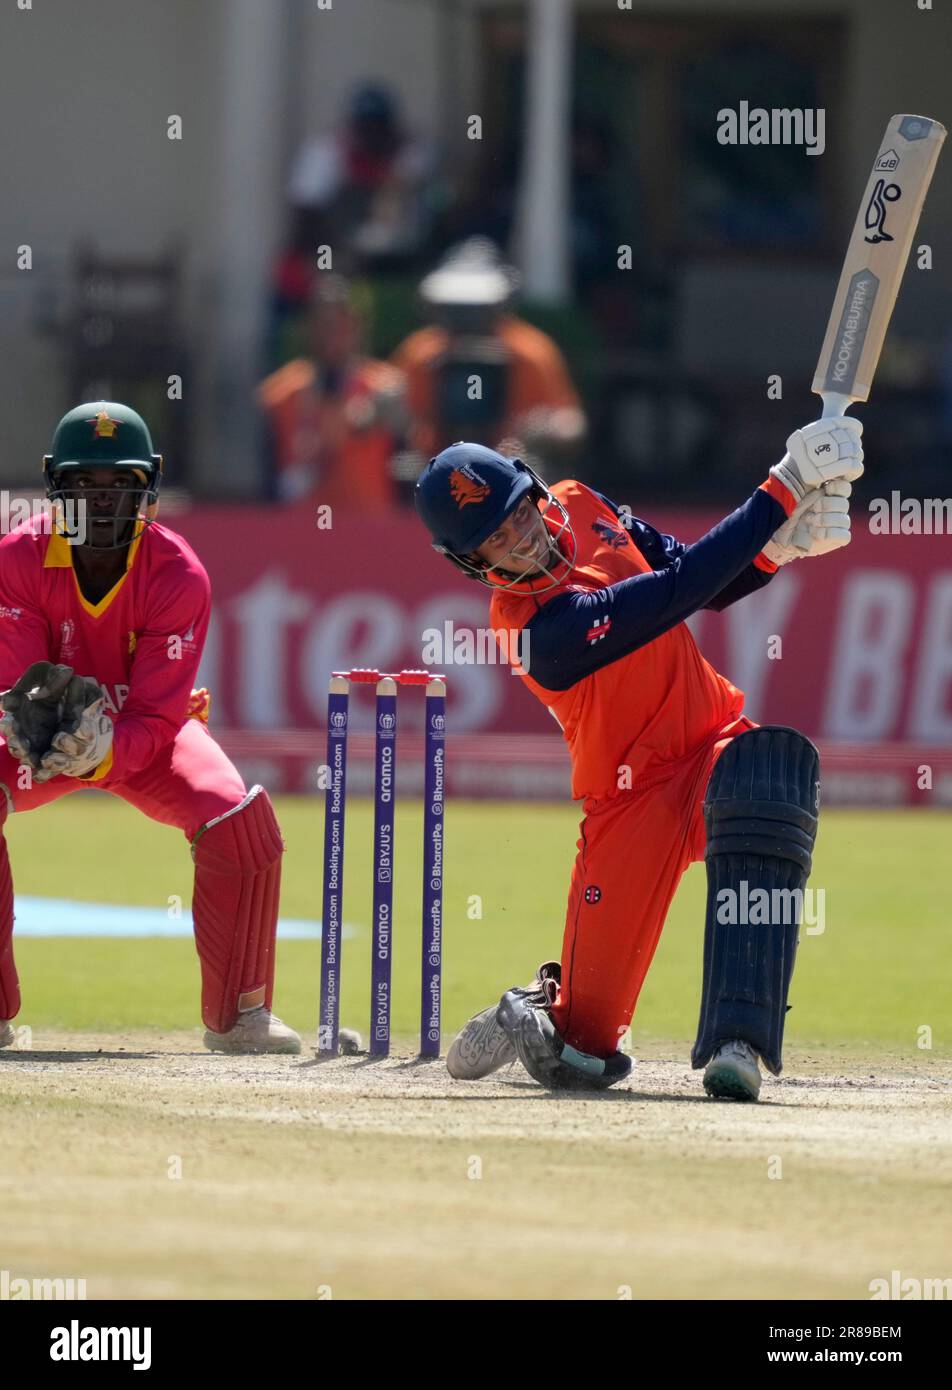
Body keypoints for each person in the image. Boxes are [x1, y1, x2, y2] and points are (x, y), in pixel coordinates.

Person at [414, 420, 862, 1099]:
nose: (519, 543)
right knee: (581, 1056)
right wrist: (784, 489)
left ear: (534, 494)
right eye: (495, 543)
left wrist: (775, 551)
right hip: (629, 803)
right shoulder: (533, 628)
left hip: (711, 744)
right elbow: (674, 592)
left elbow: (699, 577)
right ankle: (543, 1005)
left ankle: (737, 1040)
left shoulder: (584, 503)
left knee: (768, 781)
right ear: (473, 563)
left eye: (516, 517)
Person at [0, 402, 301, 1055]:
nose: (102, 504)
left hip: (145, 734)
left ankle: (240, 1016)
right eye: (84, 486)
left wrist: (106, 753)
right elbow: (27, 690)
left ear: (150, 485)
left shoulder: (177, 572)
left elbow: (160, 715)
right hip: (34, 734)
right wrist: (66, 738)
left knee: (237, 821)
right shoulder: (16, 558)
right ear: (54, 483)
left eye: (119, 486)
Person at [392, 238, 586, 469]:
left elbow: (571, 422)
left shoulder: (530, 352)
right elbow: (393, 408)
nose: (466, 319)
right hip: (435, 472)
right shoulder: (420, 352)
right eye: (455, 308)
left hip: (512, 473)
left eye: (478, 308)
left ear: (501, 304)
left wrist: (547, 429)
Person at [258, 276, 408, 508]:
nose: (332, 337)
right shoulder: (280, 394)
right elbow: (265, 478)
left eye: (341, 325)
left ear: (358, 327)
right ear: (307, 328)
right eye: (323, 325)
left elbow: (409, 468)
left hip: (371, 529)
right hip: (300, 530)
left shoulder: (386, 388)